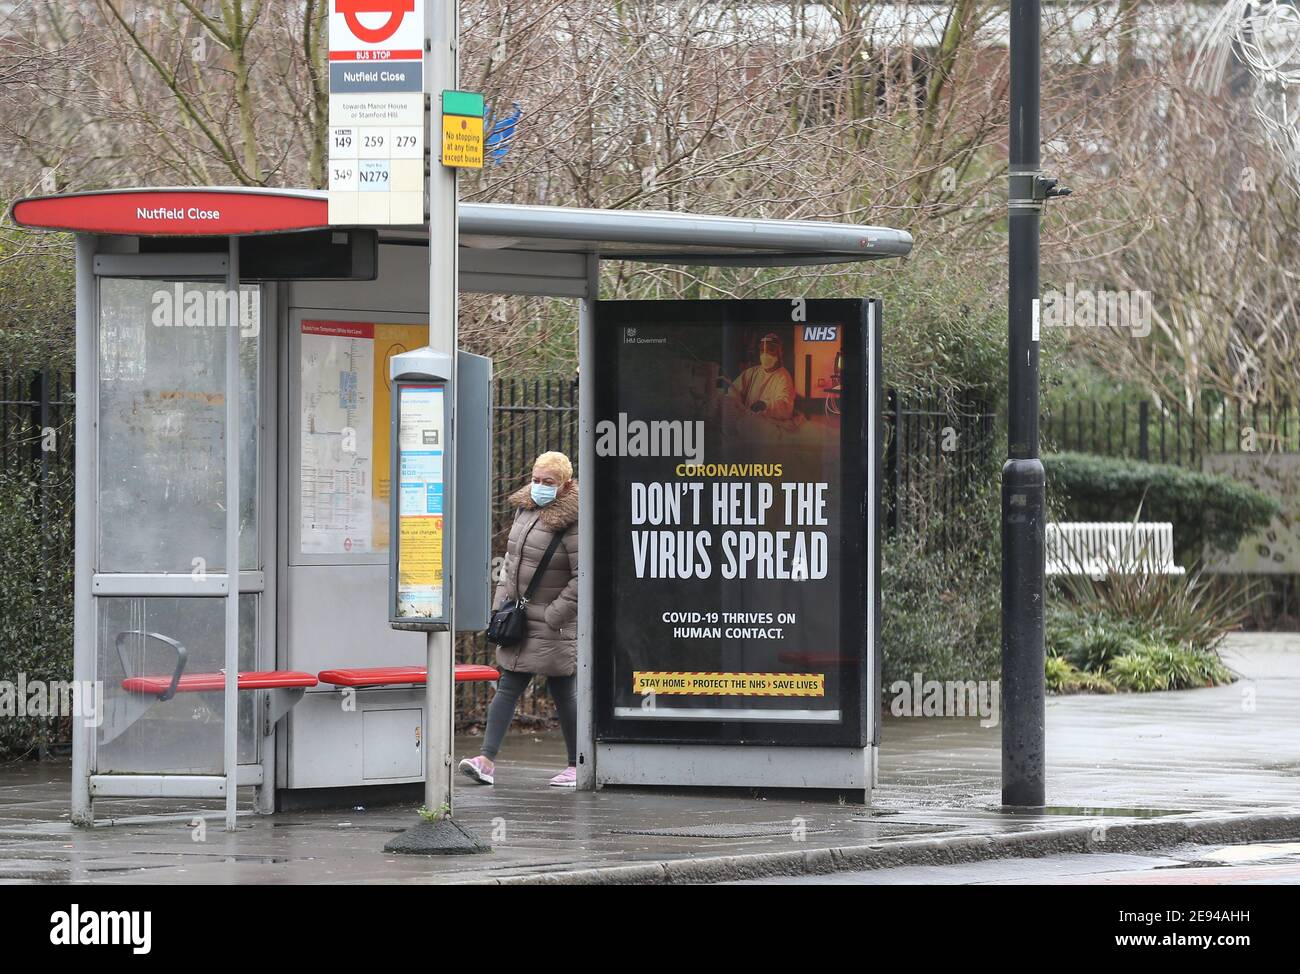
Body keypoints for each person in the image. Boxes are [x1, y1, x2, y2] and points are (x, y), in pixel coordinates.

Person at [459, 451, 580, 788]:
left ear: (565, 484)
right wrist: (501, 604)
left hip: (555, 622)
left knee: (563, 688)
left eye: (548, 482)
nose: (539, 486)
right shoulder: (526, 509)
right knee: (509, 684)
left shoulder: (574, 520)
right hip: (521, 617)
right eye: (536, 479)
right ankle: (485, 759)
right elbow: (511, 562)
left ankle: (577, 764)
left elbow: (582, 575)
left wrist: (555, 613)